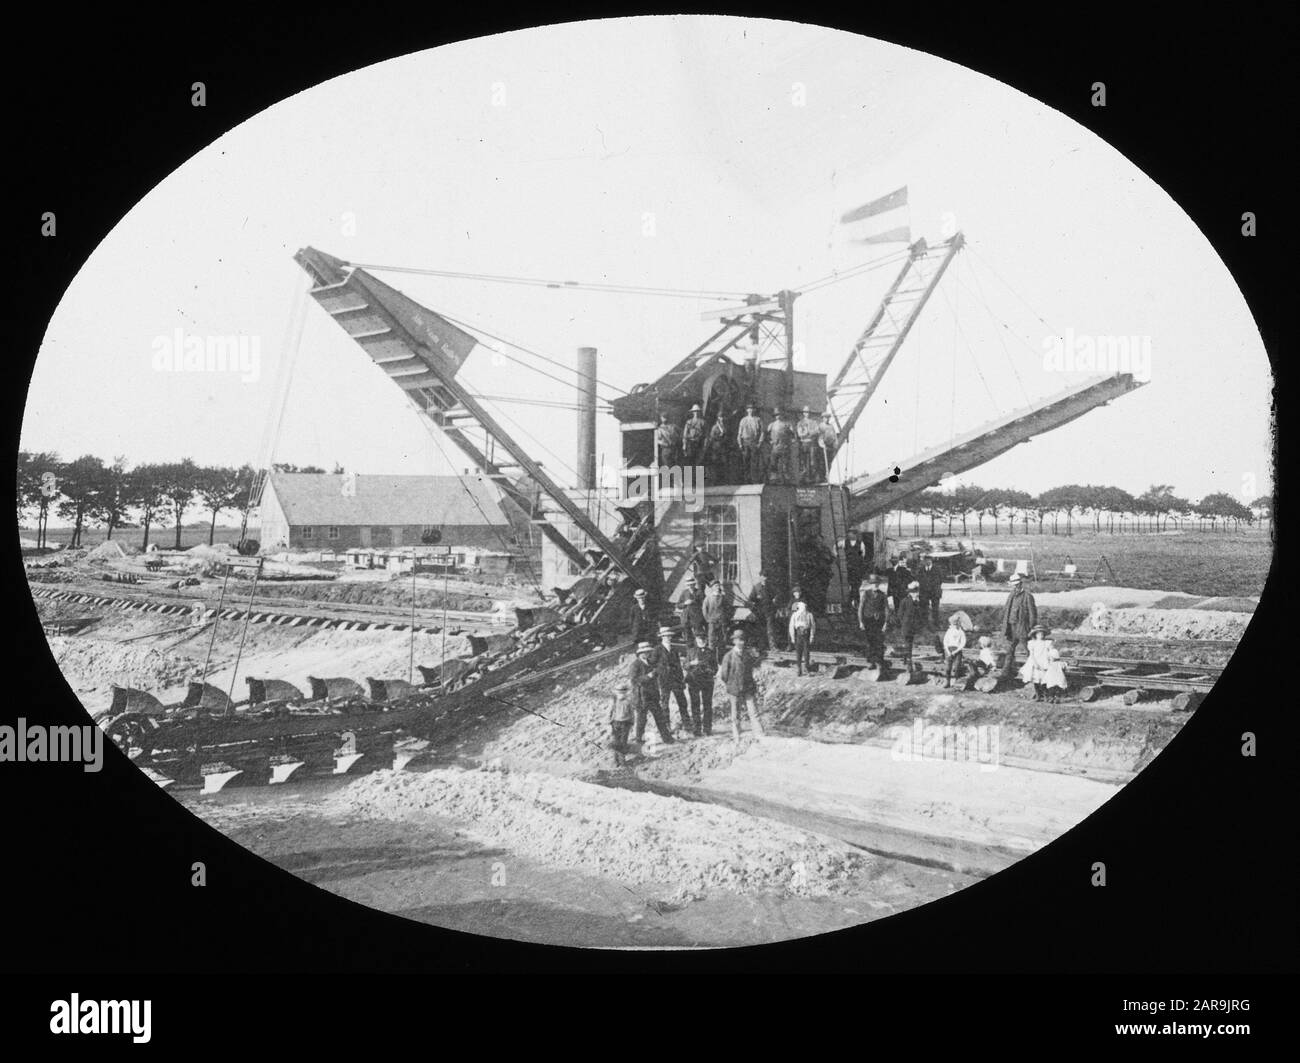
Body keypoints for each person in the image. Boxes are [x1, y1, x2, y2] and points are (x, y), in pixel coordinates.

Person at [718, 630, 765, 741]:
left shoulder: (747, 654)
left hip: (748, 687)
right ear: (734, 641)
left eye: (742, 640)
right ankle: (736, 735)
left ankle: (760, 734)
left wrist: (759, 656)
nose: (741, 642)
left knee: (753, 712)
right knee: (735, 714)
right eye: (738, 640)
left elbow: (754, 666)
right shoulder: (728, 656)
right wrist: (731, 684)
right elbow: (724, 675)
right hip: (734, 689)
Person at [628, 642, 673, 745]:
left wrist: (658, 671)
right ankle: (639, 740)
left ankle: (667, 738)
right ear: (640, 653)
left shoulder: (650, 662)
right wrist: (648, 676)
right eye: (646, 652)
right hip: (641, 697)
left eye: (649, 651)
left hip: (653, 696)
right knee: (641, 721)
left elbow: (657, 672)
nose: (648, 653)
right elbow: (634, 680)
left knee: (660, 718)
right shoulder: (635, 665)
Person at [1000, 572, 1038, 679]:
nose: (1015, 587)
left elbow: (1032, 614)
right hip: (1011, 628)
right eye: (1013, 585)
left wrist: (1031, 628)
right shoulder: (1011, 595)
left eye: (1016, 585)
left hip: (1022, 628)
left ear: (1020, 584)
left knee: (1028, 651)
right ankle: (1005, 673)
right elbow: (1007, 610)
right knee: (1010, 650)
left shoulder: (1028, 596)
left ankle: (1034, 673)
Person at [1018, 624, 1066, 702]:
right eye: (1038, 633)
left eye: (1042, 633)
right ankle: (1038, 696)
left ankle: (1046, 695)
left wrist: (1052, 658)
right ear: (1035, 635)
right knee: (1036, 680)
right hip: (1035, 661)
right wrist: (1035, 663)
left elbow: (1052, 651)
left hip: (1044, 661)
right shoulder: (1032, 643)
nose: (1040, 635)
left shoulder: (1047, 642)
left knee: (1045, 679)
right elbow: (1032, 654)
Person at [684, 633, 717, 736]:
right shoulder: (691, 651)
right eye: (699, 640)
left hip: (707, 681)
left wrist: (710, 671)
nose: (701, 641)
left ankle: (707, 729)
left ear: (706, 640)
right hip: (694, 681)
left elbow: (715, 668)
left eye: (703, 640)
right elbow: (684, 665)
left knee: (707, 705)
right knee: (695, 705)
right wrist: (691, 663)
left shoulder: (711, 652)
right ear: (696, 640)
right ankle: (697, 729)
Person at [857, 573, 889, 668]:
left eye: (876, 584)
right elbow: (860, 608)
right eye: (873, 584)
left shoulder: (882, 595)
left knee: (879, 640)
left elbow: (886, 609)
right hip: (868, 620)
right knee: (870, 640)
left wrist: (886, 622)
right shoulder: (866, 594)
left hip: (879, 621)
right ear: (870, 584)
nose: (875, 585)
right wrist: (861, 622)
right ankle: (871, 661)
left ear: (879, 584)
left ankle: (879, 660)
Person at [746, 569, 780, 651]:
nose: (764, 578)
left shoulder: (772, 587)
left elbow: (777, 596)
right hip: (759, 611)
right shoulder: (756, 587)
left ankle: (773, 647)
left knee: (770, 630)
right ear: (760, 577)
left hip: (769, 611)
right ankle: (761, 646)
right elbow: (750, 600)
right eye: (763, 576)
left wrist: (775, 600)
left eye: (766, 577)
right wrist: (753, 607)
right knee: (760, 629)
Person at [897, 580, 925, 672]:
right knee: (908, 643)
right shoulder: (905, 601)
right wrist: (904, 623)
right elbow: (900, 614)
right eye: (915, 592)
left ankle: (906, 658)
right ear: (910, 593)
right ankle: (908, 662)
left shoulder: (919, 602)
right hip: (907, 626)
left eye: (917, 592)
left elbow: (922, 614)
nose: (917, 594)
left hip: (914, 627)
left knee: (910, 643)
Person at [702, 579, 731, 664]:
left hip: (722, 622)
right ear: (712, 588)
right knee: (711, 642)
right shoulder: (708, 598)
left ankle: (722, 661)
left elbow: (729, 608)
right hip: (712, 623)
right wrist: (709, 619)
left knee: (722, 641)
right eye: (715, 586)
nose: (718, 587)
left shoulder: (723, 597)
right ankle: (712, 661)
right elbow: (704, 610)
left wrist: (726, 618)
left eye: (718, 585)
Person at [609, 679, 634, 766]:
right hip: (617, 722)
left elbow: (631, 713)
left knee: (622, 742)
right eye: (620, 692)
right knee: (617, 741)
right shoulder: (615, 701)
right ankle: (616, 761)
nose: (621, 694)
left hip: (624, 723)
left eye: (623, 692)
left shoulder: (628, 702)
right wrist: (610, 721)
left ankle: (621, 761)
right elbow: (611, 711)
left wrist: (632, 723)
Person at [736, 404, 763, 483]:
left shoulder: (758, 419)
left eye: (752, 409)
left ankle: (754, 480)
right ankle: (746, 481)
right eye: (749, 409)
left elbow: (762, 432)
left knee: (754, 461)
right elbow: (739, 433)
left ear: (754, 410)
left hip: (754, 441)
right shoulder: (743, 420)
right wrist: (740, 444)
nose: (750, 410)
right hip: (745, 442)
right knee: (745, 462)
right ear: (746, 410)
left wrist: (760, 442)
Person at [788, 599, 816, 676]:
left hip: (804, 634)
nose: (803, 609)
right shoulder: (795, 615)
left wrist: (811, 637)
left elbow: (813, 626)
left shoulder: (809, 615)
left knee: (805, 652)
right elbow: (791, 627)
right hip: (799, 634)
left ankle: (806, 667)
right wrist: (793, 637)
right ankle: (799, 669)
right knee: (800, 652)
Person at [766, 407, 794, 484]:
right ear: (774, 416)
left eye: (779, 415)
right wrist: (771, 441)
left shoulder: (787, 424)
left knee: (785, 463)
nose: (778, 416)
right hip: (775, 447)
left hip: (784, 447)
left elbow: (793, 435)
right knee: (773, 463)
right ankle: (773, 478)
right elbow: (767, 436)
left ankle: (786, 478)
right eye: (776, 415)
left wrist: (789, 442)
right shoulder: (771, 425)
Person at [703, 410, 729, 484]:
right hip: (716, 447)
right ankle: (715, 480)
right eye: (720, 417)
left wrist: (724, 439)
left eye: (723, 417)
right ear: (718, 418)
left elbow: (727, 436)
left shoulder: (725, 427)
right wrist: (719, 437)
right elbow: (712, 437)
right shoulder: (715, 427)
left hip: (723, 447)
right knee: (715, 463)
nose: (722, 419)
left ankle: (723, 480)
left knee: (724, 463)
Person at [917, 555, 944, 628]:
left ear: (931, 561)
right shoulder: (921, 569)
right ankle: (924, 623)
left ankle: (936, 623)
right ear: (924, 561)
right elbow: (919, 579)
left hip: (935, 592)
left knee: (935, 608)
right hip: (924, 592)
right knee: (924, 608)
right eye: (925, 560)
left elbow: (941, 579)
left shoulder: (937, 569)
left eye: (929, 560)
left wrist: (934, 586)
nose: (927, 561)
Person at [795, 405, 819, 483]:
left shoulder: (814, 422)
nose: (807, 413)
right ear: (803, 413)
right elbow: (800, 434)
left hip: (811, 443)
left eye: (808, 412)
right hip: (803, 444)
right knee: (803, 461)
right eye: (805, 412)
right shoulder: (800, 423)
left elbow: (816, 431)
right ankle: (804, 478)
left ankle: (812, 477)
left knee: (812, 461)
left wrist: (809, 433)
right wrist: (806, 433)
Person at [942, 615, 967, 688]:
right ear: (951, 624)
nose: (955, 625)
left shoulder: (961, 632)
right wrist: (948, 651)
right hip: (949, 650)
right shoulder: (949, 631)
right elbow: (945, 641)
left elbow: (963, 642)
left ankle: (957, 682)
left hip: (957, 650)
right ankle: (947, 682)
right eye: (953, 623)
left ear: (958, 623)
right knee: (948, 668)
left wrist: (956, 651)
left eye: (956, 623)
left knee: (956, 668)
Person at [843, 532, 866, 605]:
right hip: (849, 566)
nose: (850, 535)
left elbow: (862, 553)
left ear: (855, 535)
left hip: (857, 567)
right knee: (852, 584)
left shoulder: (860, 543)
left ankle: (853, 600)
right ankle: (855, 600)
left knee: (856, 584)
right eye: (849, 534)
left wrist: (857, 557)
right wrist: (836, 556)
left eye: (852, 534)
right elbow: (835, 547)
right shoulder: (845, 542)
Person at [681, 403, 707, 467]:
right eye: (694, 411)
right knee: (689, 462)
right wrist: (684, 444)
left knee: (699, 462)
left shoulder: (703, 422)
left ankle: (698, 476)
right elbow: (685, 435)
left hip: (699, 443)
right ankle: (689, 476)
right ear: (692, 412)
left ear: (699, 412)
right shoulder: (689, 422)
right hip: (690, 443)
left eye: (697, 411)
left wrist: (704, 445)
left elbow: (706, 435)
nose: (696, 413)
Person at [816, 411, 837, 481]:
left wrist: (835, 443)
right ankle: (822, 477)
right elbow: (819, 436)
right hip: (823, 447)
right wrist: (821, 443)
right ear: (823, 418)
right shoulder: (821, 426)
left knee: (829, 462)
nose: (827, 419)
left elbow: (834, 436)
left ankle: (827, 476)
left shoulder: (831, 426)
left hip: (830, 447)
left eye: (828, 418)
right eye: (825, 418)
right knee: (822, 463)